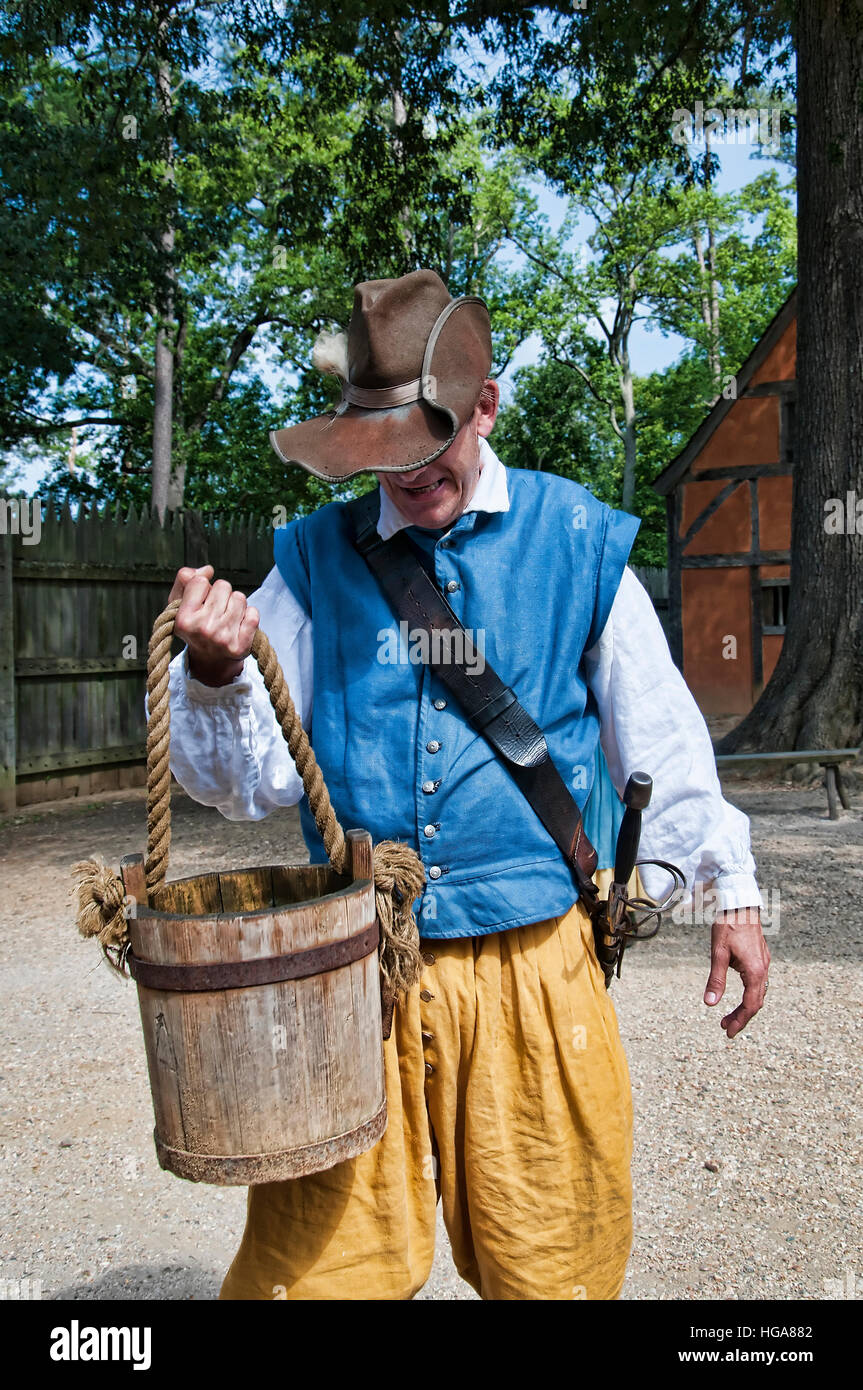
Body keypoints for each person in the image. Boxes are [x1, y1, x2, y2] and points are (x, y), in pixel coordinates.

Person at [164, 268, 770, 1301]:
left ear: (483, 405)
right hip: (354, 972)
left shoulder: (576, 540)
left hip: (535, 963)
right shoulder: (313, 559)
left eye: (428, 441)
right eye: (382, 450)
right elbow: (242, 782)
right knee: (319, 1275)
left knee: (555, 1265)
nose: (405, 472)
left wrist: (731, 892)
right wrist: (216, 669)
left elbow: (656, 740)